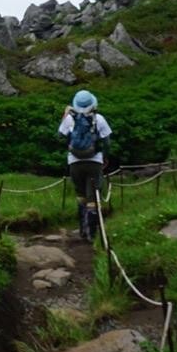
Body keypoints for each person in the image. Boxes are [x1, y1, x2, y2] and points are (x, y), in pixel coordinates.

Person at [58, 89, 112, 240]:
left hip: (74, 162)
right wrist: (105, 157)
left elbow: (60, 136)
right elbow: (107, 141)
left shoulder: (70, 119)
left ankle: (83, 230)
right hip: (94, 161)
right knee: (93, 197)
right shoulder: (99, 118)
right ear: (92, 103)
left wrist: (65, 114)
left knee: (81, 195)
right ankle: (92, 235)